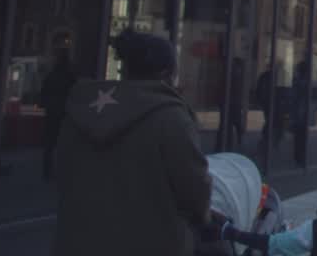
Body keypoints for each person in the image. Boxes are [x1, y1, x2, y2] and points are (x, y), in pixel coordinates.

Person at [53, 29, 210, 256]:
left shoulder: (80, 112)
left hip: (76, 243)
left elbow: (62, 171)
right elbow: (195, 192)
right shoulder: (172, 119)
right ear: (167, 72)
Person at [38, 49, 76, 180]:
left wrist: (46, 103)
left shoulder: (51, 76)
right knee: (64, 144)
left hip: (52, 112)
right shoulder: (71, 77)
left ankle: (47, 171)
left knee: (49, 144)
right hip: (65, 113)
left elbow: (43, 96)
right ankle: (63, 172)